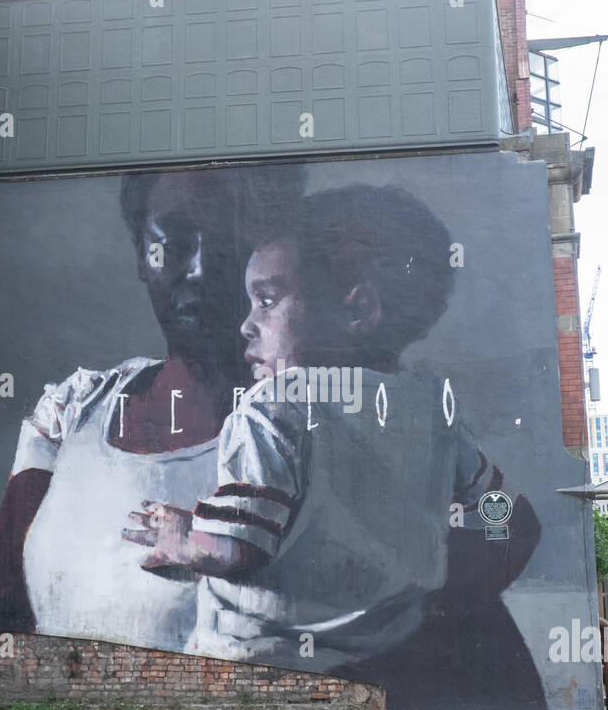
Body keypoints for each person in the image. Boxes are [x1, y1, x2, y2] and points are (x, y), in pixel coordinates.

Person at [123, 185, 541, 678]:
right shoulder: (431, 409)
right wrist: (441, 596)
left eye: (266, 300)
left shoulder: (273, 409)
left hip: (261, 666)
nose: (246, 325)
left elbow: (235, 548)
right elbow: (516, 522)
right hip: (390, 653)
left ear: (357, 311)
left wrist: (180, 538)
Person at [0, 165, 305, 646]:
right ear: (140, 254)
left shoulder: (297, 434)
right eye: (171, 243)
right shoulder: (70, 414)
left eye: (225, 245)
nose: (198, 269)